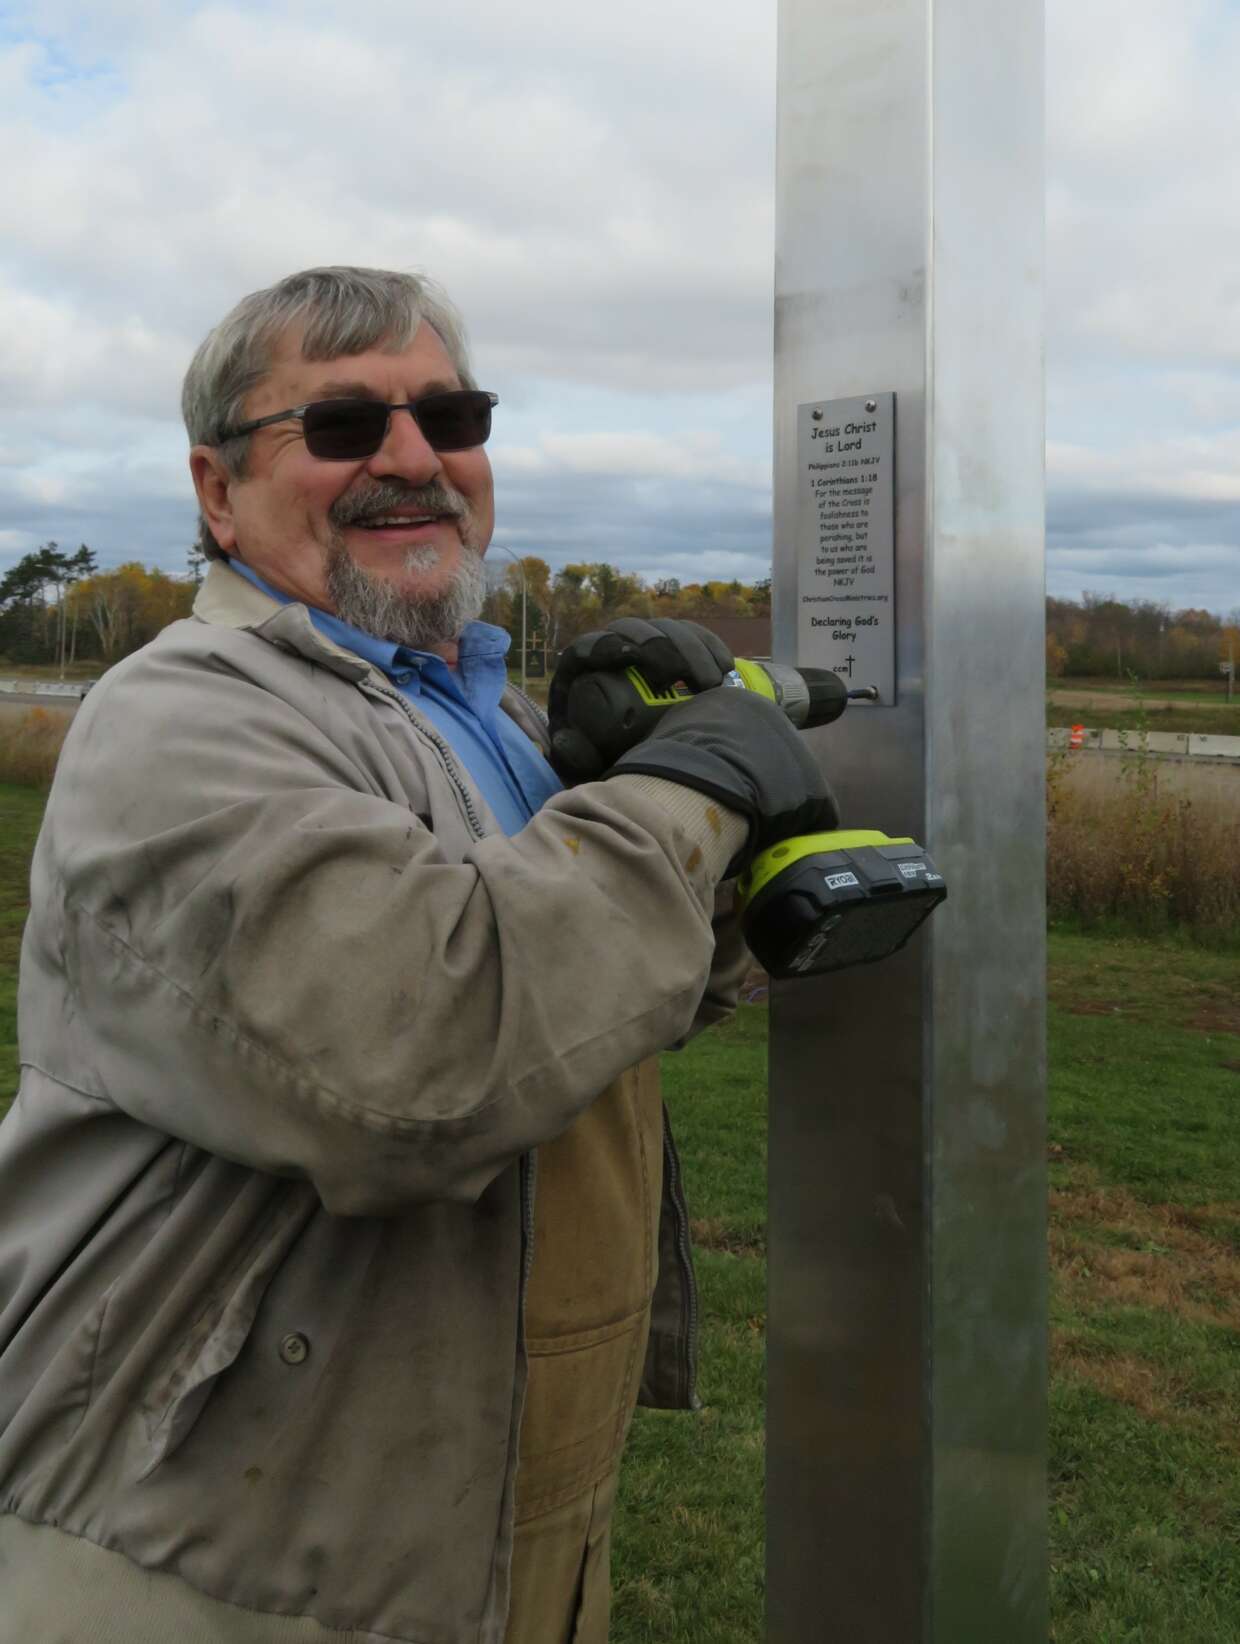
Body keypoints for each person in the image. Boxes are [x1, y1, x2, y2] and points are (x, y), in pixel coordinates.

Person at [0, 266, 834, 1644]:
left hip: (489, 1527)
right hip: (223, 1559)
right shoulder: (178, 721)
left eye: (451, 415)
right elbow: (427, 1056)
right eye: (340, 428)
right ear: (216, 493)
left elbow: (590, 989)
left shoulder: (469, 711)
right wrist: (688, 792)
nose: (413, 459)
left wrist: (627, 793)